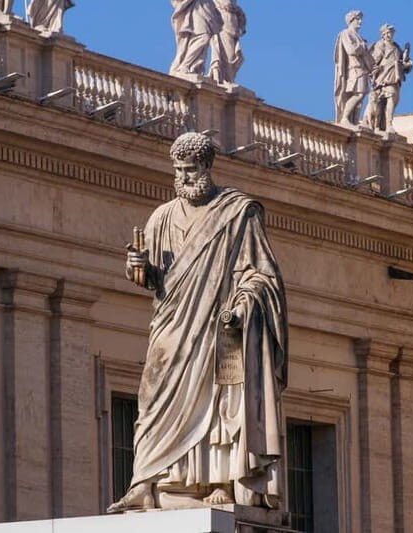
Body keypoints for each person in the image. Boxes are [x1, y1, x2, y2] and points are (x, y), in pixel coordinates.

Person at [108, 132, 288, 513]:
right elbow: (158, 280)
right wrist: (138, 270)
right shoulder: (161, 217)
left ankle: (218, 482)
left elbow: (261, 274)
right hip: (172, 329)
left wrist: (243, 305)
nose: (184, 178)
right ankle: (148, 481)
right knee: (153, 398)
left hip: (218, 328)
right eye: (178, 171)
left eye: (191, 170)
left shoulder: (237, 212)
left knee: (218, 400)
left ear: (207, 167)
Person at [362, 23, 413, 132]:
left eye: (391, 33)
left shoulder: (396, 47)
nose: (389, 35)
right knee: (381, 100)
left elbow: (403, 62)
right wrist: (374, 69)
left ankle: (383, 125)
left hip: (395, 75)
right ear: (383, 35)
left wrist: (406, 59)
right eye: (387, 33)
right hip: (383, 75)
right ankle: (385, 125)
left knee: (393, 100)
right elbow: (374, 60)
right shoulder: (381, 45)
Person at [334, 10, 375, 127]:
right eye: (358, 19)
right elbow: (351, 50)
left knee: (361, 98)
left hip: (362, 69)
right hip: (354, 69)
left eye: (360, 19)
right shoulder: (346, 33)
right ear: (351, 20)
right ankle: (345, 118)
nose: (360, 22)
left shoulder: (359, 37)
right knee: (359, 94)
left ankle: (355, 121)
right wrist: (362, 46)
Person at [170, 0, 224, 78]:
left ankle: (192, 66)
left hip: (205, 7)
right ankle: (185, 65)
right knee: (204, 37)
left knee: (202, 37)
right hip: (196, 8)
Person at [210, 0, 246, 85]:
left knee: (232, 55)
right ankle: (224, 78)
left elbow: (238, 11)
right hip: (222, 22)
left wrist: (240, 20)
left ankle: (228, 78)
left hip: (233, 24)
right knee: (226, 53)